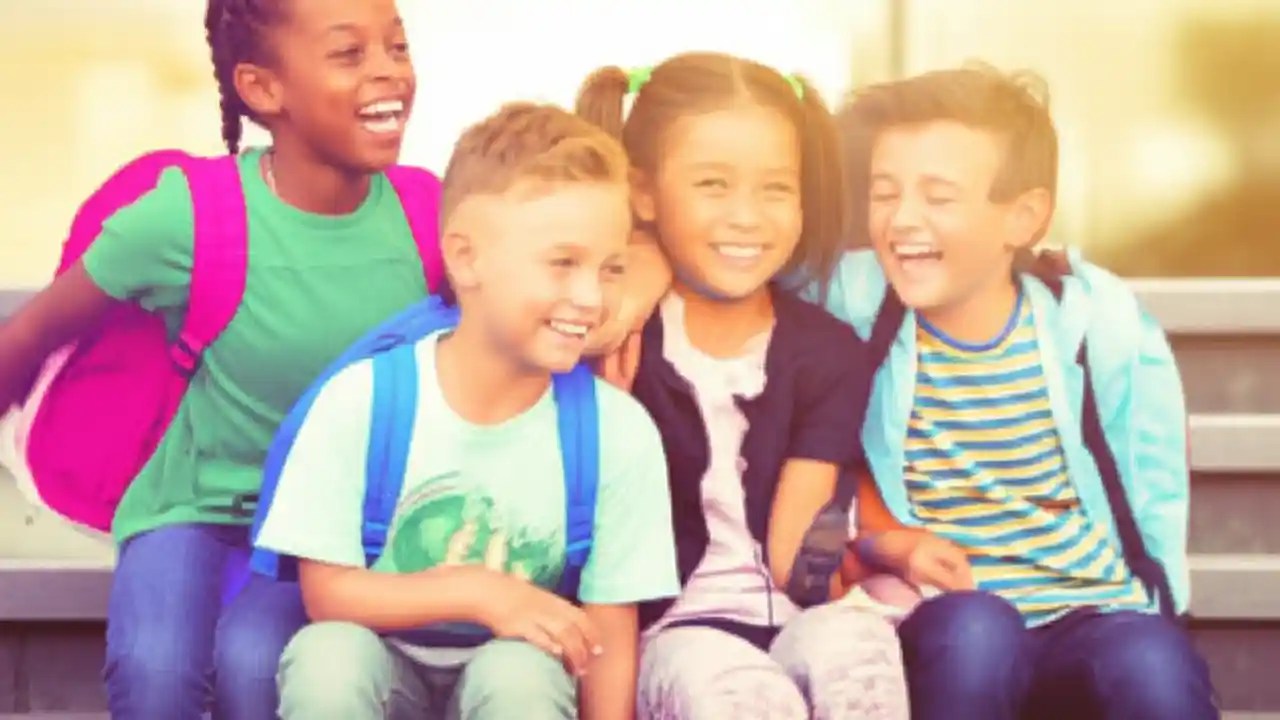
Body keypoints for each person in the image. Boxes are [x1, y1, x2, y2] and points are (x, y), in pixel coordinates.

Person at [0, 1, 667, 717]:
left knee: (257, 665)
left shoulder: (425, 215)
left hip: (342, 520)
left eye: (397, 48)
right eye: (350, 54)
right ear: (262, 88)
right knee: (153, 668)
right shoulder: (189, 216)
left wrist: (644, 276)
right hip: (201, 505)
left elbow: (538, 261)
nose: (388, 71)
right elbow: (32, 334)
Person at [255, 101, 680, 720]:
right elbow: (326, 594)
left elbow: (608, 634)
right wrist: (481, 593)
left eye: (611, 268)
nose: (592, 298)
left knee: (519, 676)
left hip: (514, 675)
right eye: (563, 263)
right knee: (328, 658)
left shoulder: (617, 433)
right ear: (464, 258)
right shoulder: (364, 402)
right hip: (382, 663)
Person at [817, 65, 1218, 720]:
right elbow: (744, 269)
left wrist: (1162, 600)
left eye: (939, 196)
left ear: (1023, 217)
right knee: (979, 634)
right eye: (884, 193)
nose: (901, 219)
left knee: (1151, 662)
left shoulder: (1093, 323)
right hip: (947, 613)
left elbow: (1153, 478)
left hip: (1093, 608)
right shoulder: (855, 302)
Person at [577, 52, 909, 720]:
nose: (747, 217)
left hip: (792, 614)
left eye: (776, 189)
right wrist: (636, 265)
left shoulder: (828, 352)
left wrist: (872, 564)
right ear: (643, 193)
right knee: (746, 697)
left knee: (859, 653)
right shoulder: (614, 334)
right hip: (673, 631)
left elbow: (793, 552)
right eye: (713, 185)